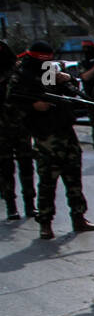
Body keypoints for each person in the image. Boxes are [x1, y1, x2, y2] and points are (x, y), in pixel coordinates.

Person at [9, 42, 94, 239]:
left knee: (73, 177)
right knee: (48, 181)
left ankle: (78, 216)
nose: (46, 63)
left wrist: (65, 79)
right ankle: (46, 222)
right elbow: (12, 102)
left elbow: (64, 91)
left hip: (65, 130)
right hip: (44, 135)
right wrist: (33, 106)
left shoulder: (50, 70)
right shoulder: (22, 74)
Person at [0, 42, 37, 221]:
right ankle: (11, 206)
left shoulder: (19, 72)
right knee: (6, 169)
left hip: (21, 126)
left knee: (26, 166)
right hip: (2, 130)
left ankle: (30, 204)